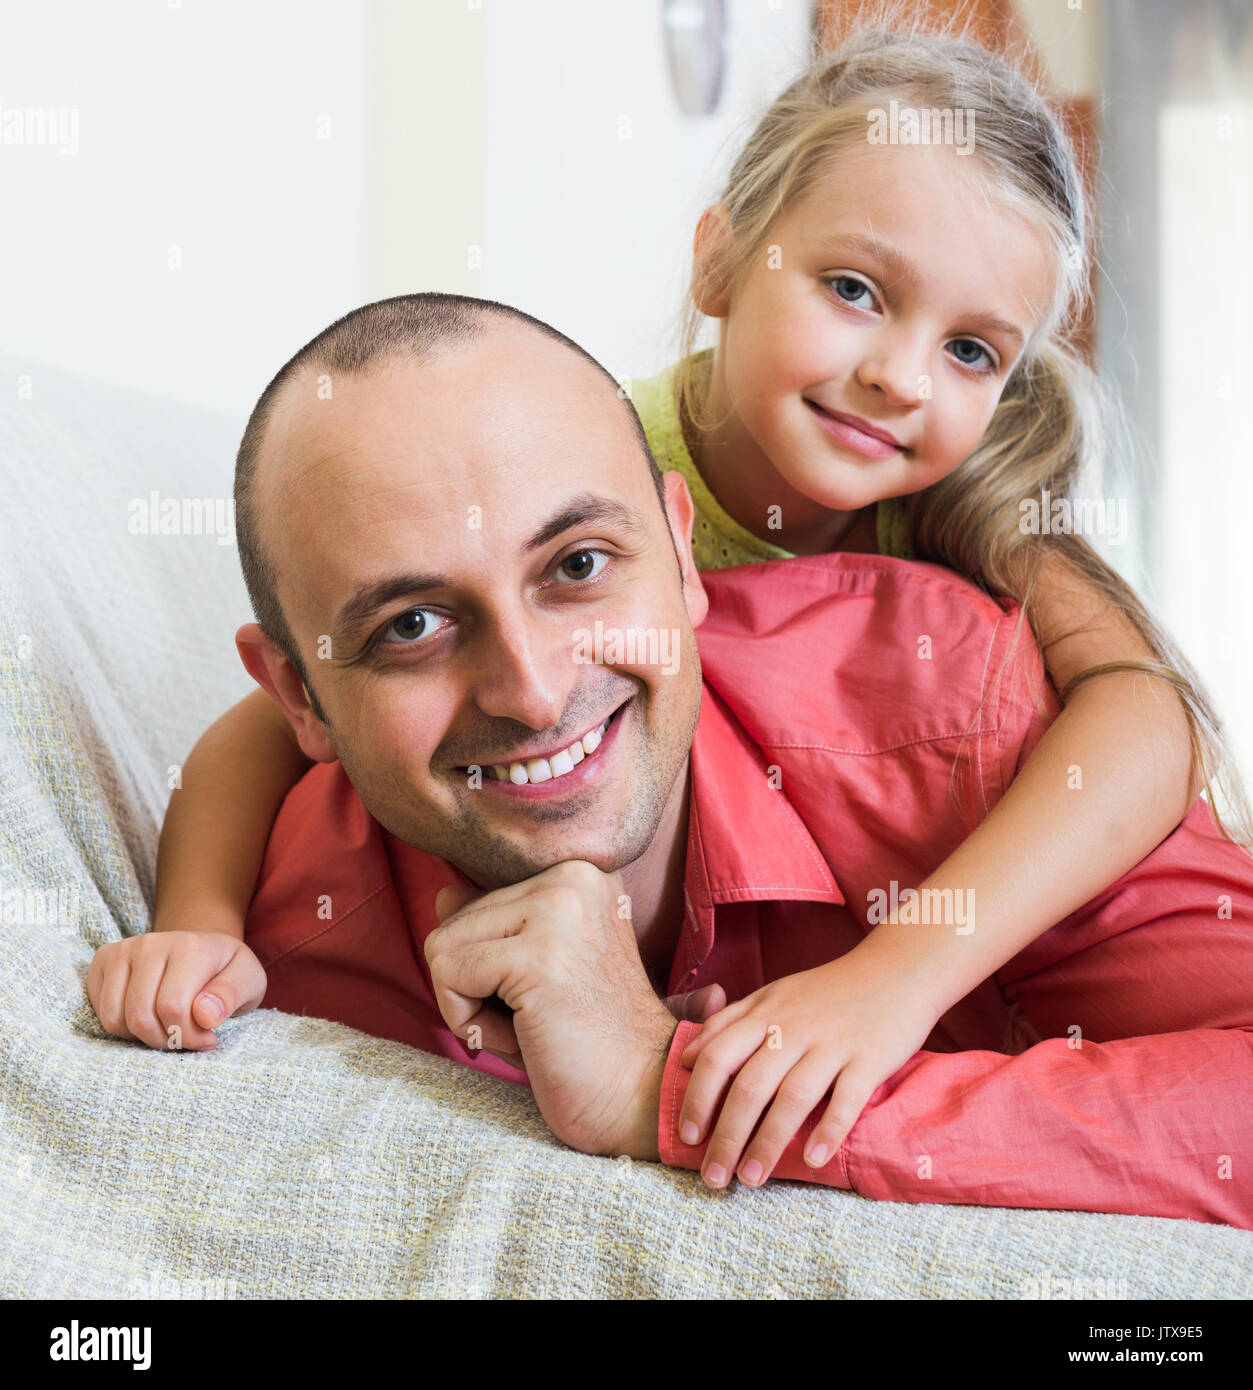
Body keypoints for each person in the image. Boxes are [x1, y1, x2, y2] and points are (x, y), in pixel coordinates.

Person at [90, 290, 1253, 1229]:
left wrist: (674, 1088)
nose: (536, 689)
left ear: (684, 559)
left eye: (582, 566)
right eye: (412, 628)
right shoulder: (279, 966)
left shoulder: (946, 708)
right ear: (297, 694)